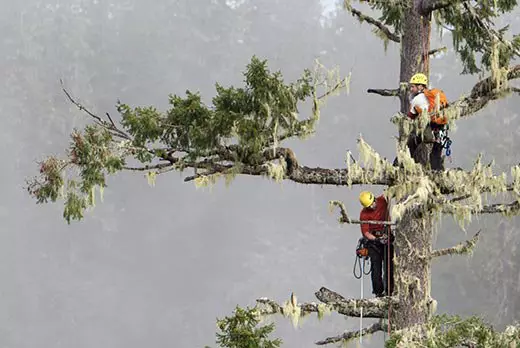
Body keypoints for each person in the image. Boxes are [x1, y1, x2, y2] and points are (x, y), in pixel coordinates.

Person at [406, 73, 449, 170]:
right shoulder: (435, 96)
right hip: (442, 129)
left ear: (420, 86)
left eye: (413, 86)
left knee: (409, 147)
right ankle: (438, 175)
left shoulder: (416, 99)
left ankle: (403, 167)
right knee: (435, 156)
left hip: (428, 130)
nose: (411, 89)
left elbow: (411, 116)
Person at [358, 191, 394, 297]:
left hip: (387, 237)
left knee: (389, 266)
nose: (372, 206)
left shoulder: (382, 201)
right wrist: (376, 240)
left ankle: (390, 290)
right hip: (374, 242)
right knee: (376, 267)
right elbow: (366, 232)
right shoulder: (364, 214)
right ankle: (378, 292)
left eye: (373, 203)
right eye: (369, 206)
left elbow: (390, 192)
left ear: (374, 199)